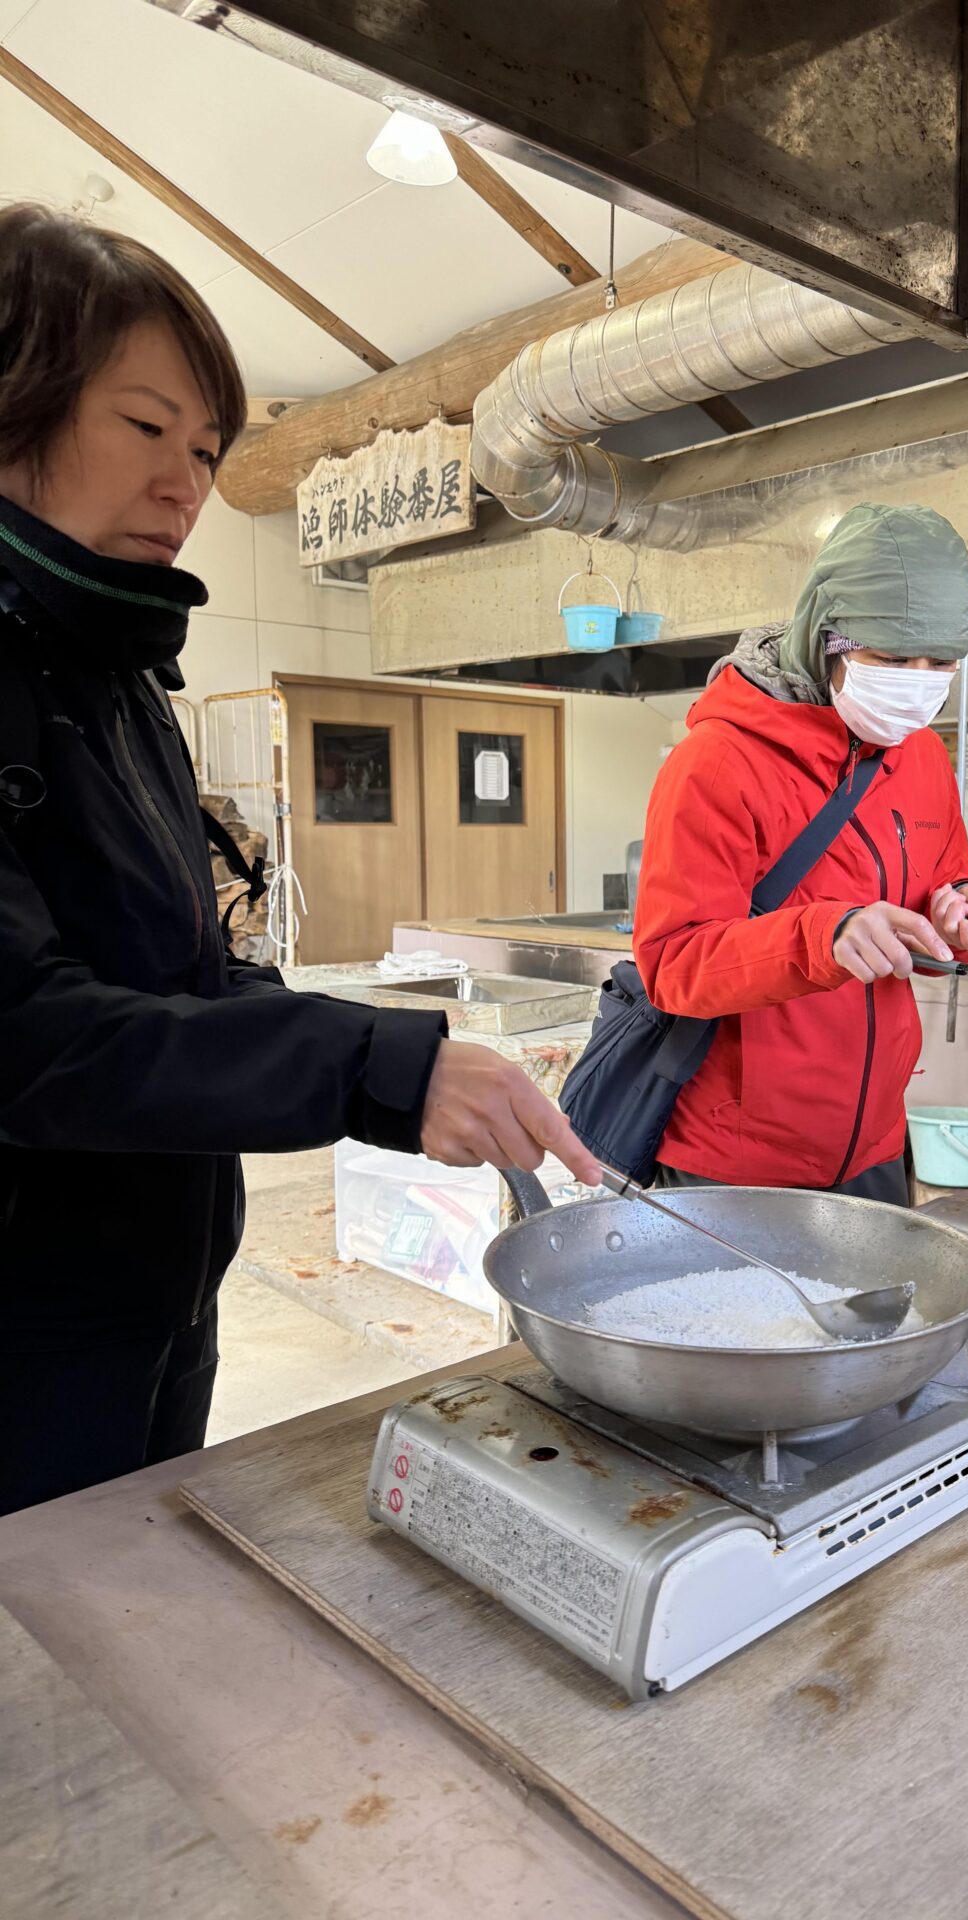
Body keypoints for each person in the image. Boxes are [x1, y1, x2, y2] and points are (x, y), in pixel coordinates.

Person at [0, 205, 599, 1514]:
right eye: (146, 427)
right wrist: (374, 1068)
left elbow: (187, 987)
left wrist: (404, 1060)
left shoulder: (114, 686)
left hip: (153, 1295)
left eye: (207, 450)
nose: (186, 484)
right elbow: (29, 1040)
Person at [633, 502, 968, 1204]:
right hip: (739, 1158)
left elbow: (944, 880)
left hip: (876, 1145)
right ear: (826, 637)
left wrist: (963, 909)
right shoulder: (717, 762)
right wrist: (826, 935)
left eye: (941, 662)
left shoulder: (921, 755)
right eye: (893, 659)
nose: (918, 680)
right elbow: (674, 966)